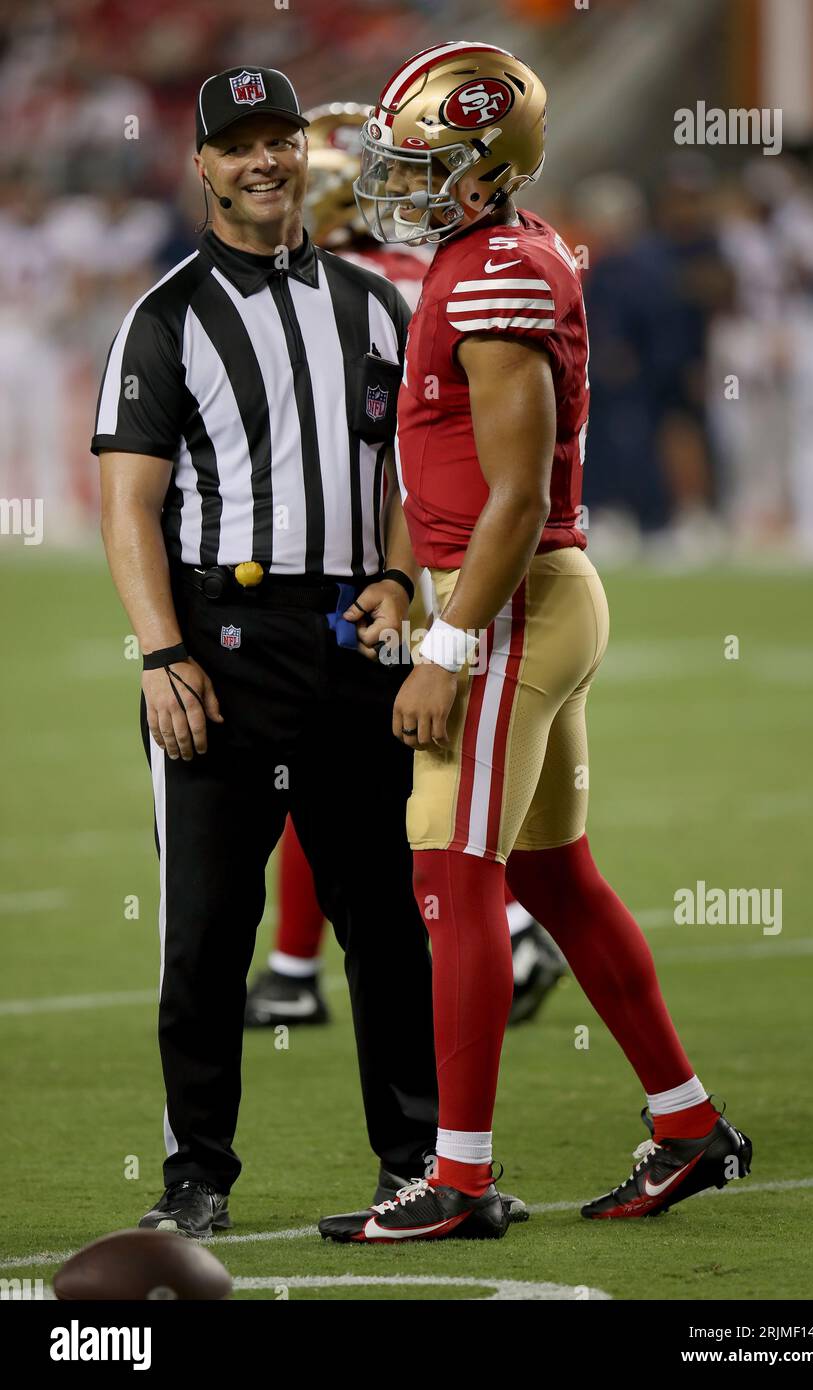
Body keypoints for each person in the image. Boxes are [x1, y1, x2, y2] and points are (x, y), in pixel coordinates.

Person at [319, 41, 752, 1243]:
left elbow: (511, 497)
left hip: (512, 601)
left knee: (451, 874)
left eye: (428, 161)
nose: (401, 179)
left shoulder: (492, 271)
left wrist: (444, 649)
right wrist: (410, 580)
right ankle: (686, 1126)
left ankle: (455, 1179)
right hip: (504, 589)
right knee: (553, 872)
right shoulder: (487, 250)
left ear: (485, 168)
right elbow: (451, 472)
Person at [94, 65, 523, 1239]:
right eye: (237, 146)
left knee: (387, 919)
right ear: (201, 164)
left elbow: (406, 475)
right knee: (205, 933)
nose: (263, 161)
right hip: (217, 646)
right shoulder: (165, 315)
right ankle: (196, 1179)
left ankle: (422, 1163)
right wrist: (158, 653)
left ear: (303, 156)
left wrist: (394, 577)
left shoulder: (379, 305)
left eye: (278, 139)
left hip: (353, 631)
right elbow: (127, 505)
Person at [246, 100, 565, 1032]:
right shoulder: (456, 258)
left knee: (349, 767)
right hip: (432, 540)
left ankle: (491, 931)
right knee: (378, 770)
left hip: (392, 546)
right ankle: (307, 965)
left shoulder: (352, 277)